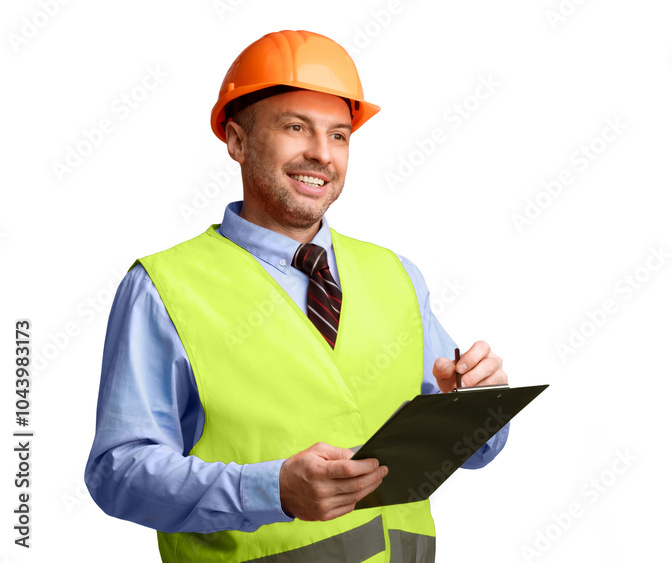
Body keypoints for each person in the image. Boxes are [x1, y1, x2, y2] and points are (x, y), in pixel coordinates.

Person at [85, 29, 509, 562]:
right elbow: (118, 472)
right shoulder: (165, 287)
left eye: (339, 135)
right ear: (236, 141)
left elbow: (469, 451)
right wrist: (273, 490)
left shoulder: (396, 274)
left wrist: (474, 403)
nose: (320, 154)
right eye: (295, 127)